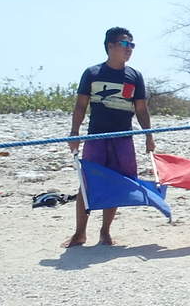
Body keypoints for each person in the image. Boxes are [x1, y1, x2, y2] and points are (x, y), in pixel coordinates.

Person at [64, 27, 155, 248]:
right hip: (96, 137)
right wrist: (74, 133)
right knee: (87, 184)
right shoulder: (92, 73)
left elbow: (141, 109)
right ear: (110, 46)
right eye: (125, 44)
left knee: (115, 183)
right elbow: (80, 105)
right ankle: (80, 233)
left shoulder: (135, 76)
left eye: (132, 45)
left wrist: (148, 136)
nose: (129, 49)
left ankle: (105, 232)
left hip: (123, 138)